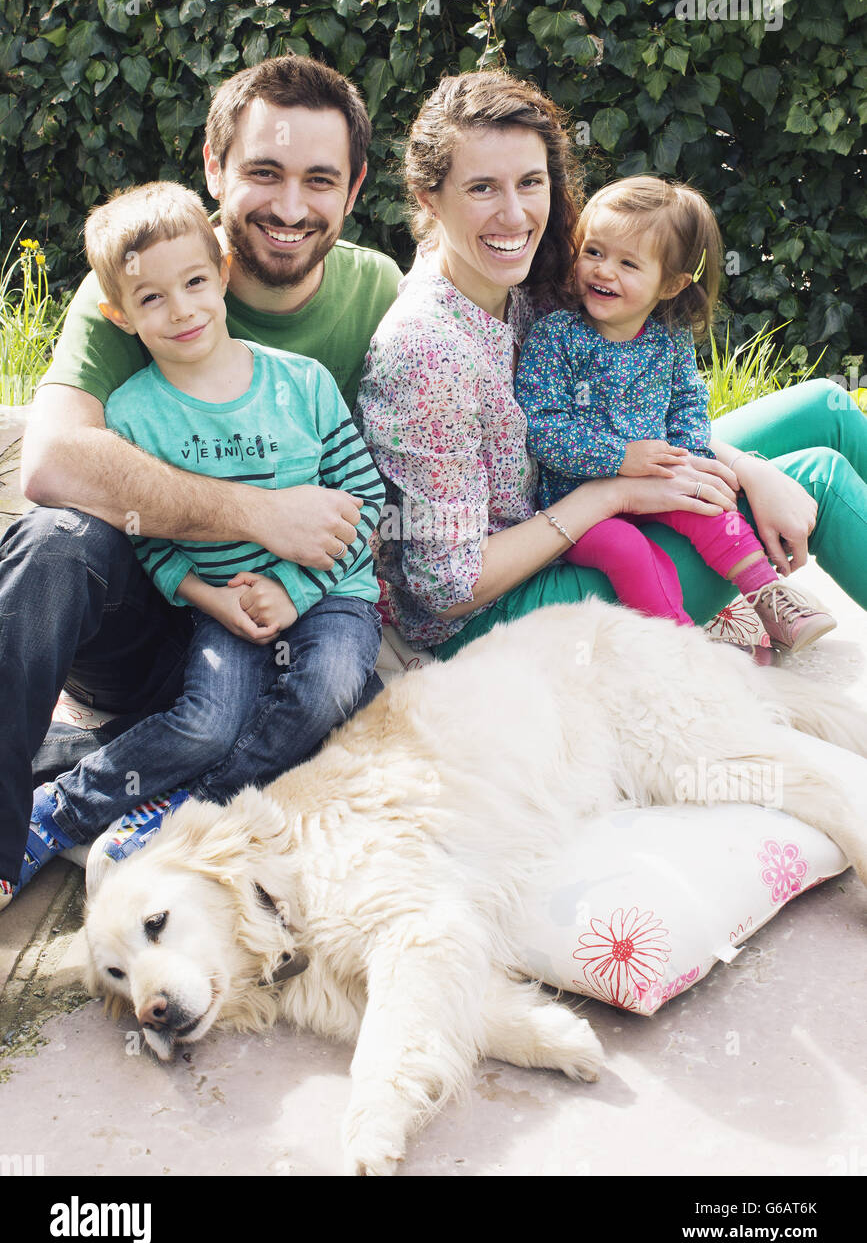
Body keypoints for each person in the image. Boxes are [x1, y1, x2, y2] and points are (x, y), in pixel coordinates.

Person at [0, 55, 400, 904]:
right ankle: (14, 829)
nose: (290, 207)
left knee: (338, 689)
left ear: (355, 187)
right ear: (215, 167)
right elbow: (49, 464)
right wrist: (259, 514)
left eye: (318, 180)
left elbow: (445, 439)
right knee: (52, 542)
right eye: (263, 172)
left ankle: (152, 790)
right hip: (166, 616)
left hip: (302, 608)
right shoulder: (132, 281)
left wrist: (720, 459)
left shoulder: (377, 294)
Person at [357, 69, 867, 664]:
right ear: (428, 198)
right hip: (501, 610)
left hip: (593, 481)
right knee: (819, 477)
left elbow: (636, 411)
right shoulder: (427, 351)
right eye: (481, 189)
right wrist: (615, 494)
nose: (515, 214)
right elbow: (449, 590)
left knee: (824, 407)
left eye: (530, 182)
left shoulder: (523, 281)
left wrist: (749, 471)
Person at [515, 176, 835, 657]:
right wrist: (618, 457)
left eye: (628, 263)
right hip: (579, 499)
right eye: (595, 252)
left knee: (711, 507)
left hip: (656, 483)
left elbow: (689, 401)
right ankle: (684, 649)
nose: (604, 272)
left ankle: (767, 594)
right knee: (629, 552)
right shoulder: (557, 336)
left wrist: (687, 458)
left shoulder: (667, 339)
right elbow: (541, 426)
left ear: (670, 284)